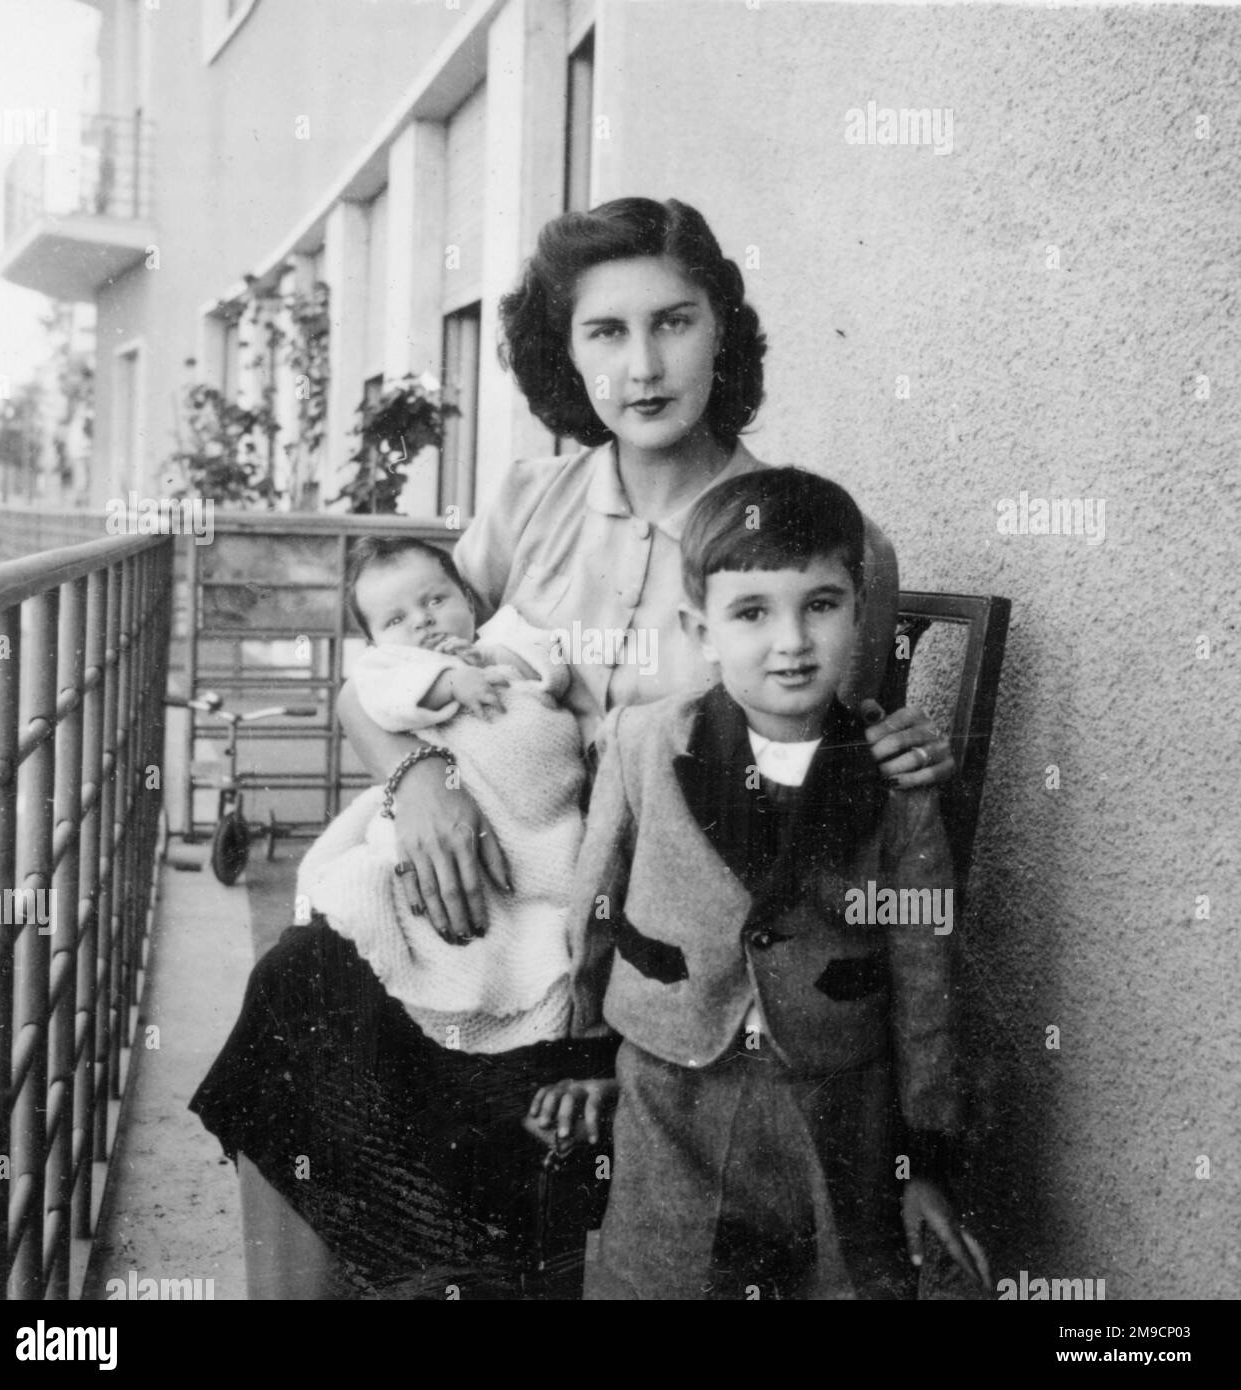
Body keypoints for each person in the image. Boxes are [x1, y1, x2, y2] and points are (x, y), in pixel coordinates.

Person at [192, 196, 954, 1299]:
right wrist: (421, 779)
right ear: (566, 352)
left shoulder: (795, 539)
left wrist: (895, 743)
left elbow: (832, 775)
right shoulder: (527, 504)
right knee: (300, 981)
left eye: (674, 322)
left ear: (722, 334)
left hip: (652, 987)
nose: (642, 365)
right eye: (606, 331)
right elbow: (379, 683)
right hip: (495, 926)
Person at [530, 466, 988, 1300]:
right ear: (698, 628)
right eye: (750, 612)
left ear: (858, 613)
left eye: (819, 605)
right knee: (658, 1277)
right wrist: (587, 1052)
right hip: (671, 1079)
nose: (790, 643)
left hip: (833, 1093)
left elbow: (924, 970)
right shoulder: (642, 741)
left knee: (840, 1279)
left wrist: (925, 1159)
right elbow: (595, 904)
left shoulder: (894, 772)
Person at [299, 535, 586, 1053]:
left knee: (548, 912)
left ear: (469, 602)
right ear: (375, 643)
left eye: (435, 600)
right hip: (445, 810)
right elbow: (383, 700)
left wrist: (489, 657)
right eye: (395, 620)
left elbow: (552, 666)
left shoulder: (506, 634)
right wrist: (451, 680)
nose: (422, 621)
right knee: (382, 888)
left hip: (534, 811)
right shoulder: (390, 668)